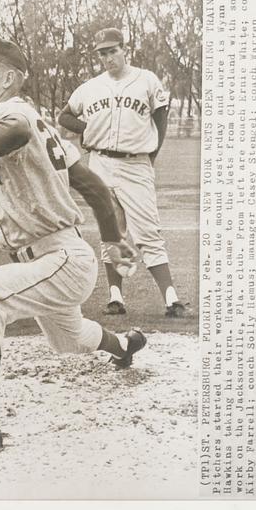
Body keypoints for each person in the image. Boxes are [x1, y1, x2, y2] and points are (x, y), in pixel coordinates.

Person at [0, 38, 146, 464]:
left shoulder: (11, 112)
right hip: (59, 260)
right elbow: (94, 187)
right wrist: (113, 240)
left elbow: (14, 132)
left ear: (9, 77)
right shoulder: (37, 121)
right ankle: (125, 345)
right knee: (69, 339)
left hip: (58, 259)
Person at [57, 27, 188, 318]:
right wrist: (86, 128)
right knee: (111, 232)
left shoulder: (147, 80)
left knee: (148, 231)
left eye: (113, 50)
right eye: (102, 53)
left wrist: (152, 154)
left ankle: (171, 298)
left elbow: (160, 118)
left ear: (124, 49)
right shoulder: (90, 87)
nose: (108, 57)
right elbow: (64, 116)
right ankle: (115, 297)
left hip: (135, 163)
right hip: (100, 163)